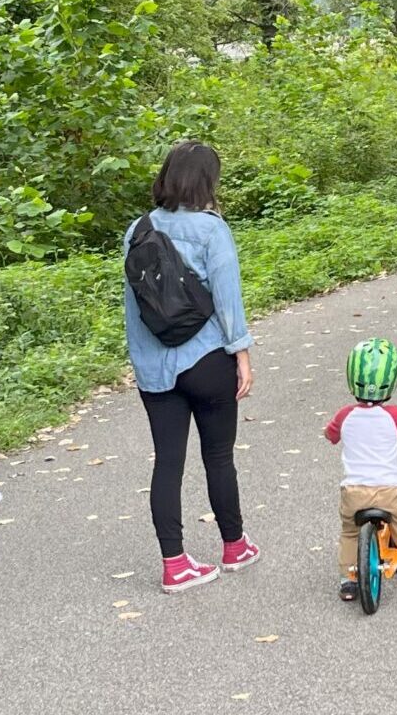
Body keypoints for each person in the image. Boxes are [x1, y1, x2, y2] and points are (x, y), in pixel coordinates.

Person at [122, 140, 259, 594]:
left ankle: (175, 563)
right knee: (218, 455)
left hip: (154, 370)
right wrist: (241, 353)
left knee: (168, 461)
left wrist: (143, 362)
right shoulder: (211, 229)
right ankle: (234, 546)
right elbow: (227, 299)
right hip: (206, 360)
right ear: (207, 181)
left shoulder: (137, 230)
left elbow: (135, 307)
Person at [324, 338, 397, 601]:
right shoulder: (394, 416)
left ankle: (347, 580)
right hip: (390, 491)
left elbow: (330, 434)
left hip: (354, 492)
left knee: (350, 531)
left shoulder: (344, 416)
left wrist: (329, 432)